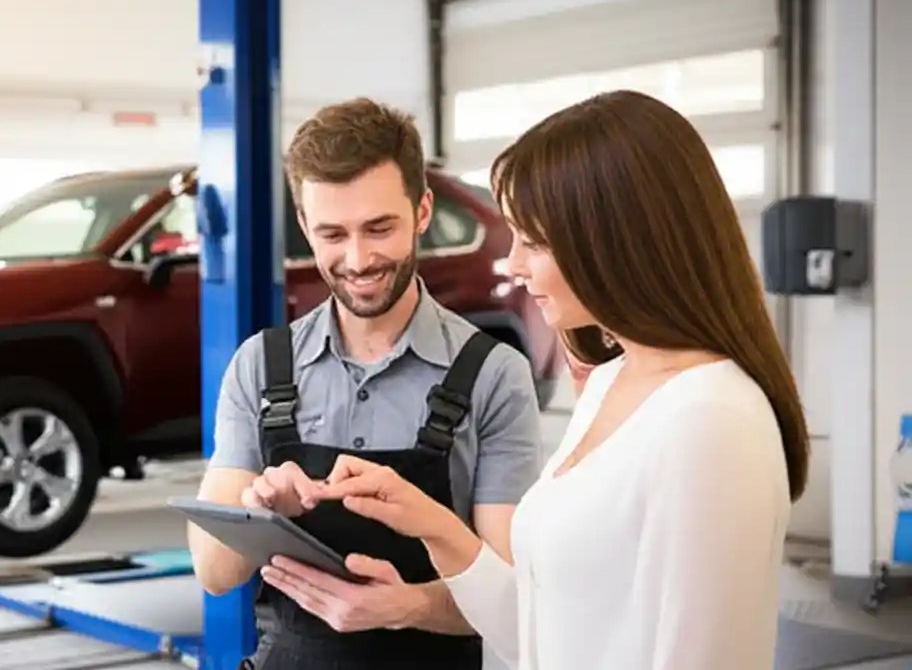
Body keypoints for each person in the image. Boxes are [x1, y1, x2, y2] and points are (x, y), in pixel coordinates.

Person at [312, 89, 810, 670]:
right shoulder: (612, 381)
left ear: (616, 240)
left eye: (535, 241)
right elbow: (547, 628)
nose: (515, 265)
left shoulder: (711, 423)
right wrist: (433, 526)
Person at [185, 97, 544, 669]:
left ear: (422, 210)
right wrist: (263, 514)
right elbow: (213, 573)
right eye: (333, 233)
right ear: (304, 225)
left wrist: (407, 606)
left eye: (379, 228)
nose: (358, 258)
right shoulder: (260, 366)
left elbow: (512, 596)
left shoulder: (494, 376)